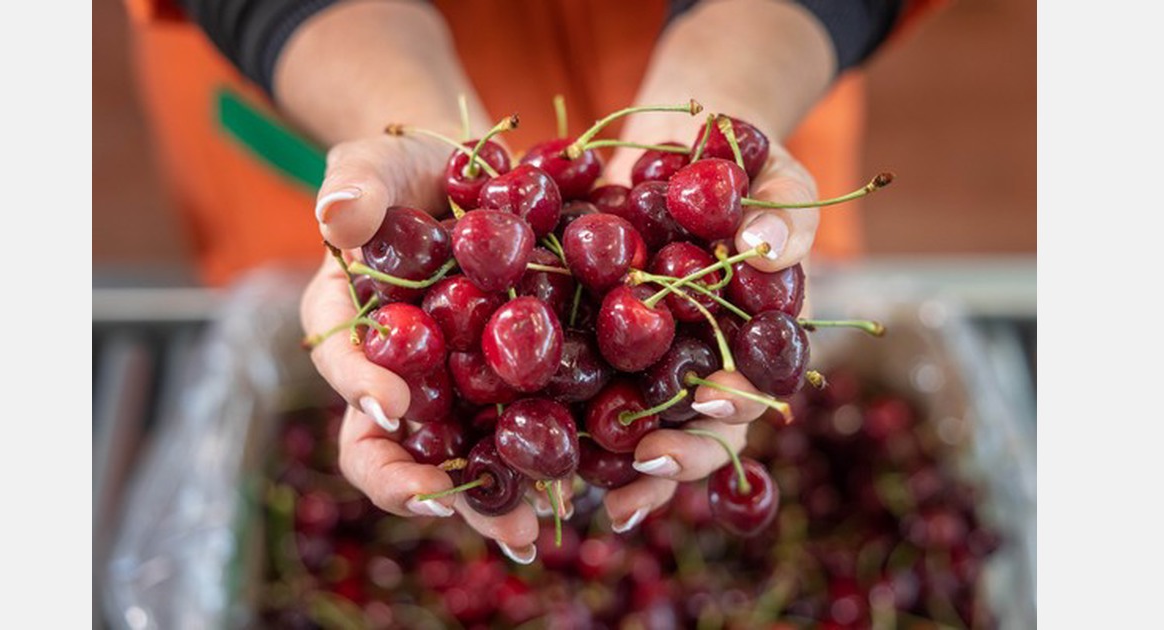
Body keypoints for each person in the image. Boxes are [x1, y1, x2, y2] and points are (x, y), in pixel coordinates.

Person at [125, 0, 938, 565]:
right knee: (357, 274)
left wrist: (740, 73)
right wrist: (388, 106)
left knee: (762, 251)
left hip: (743, 66)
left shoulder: (690, 197)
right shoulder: (482, 270)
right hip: (342, 81)